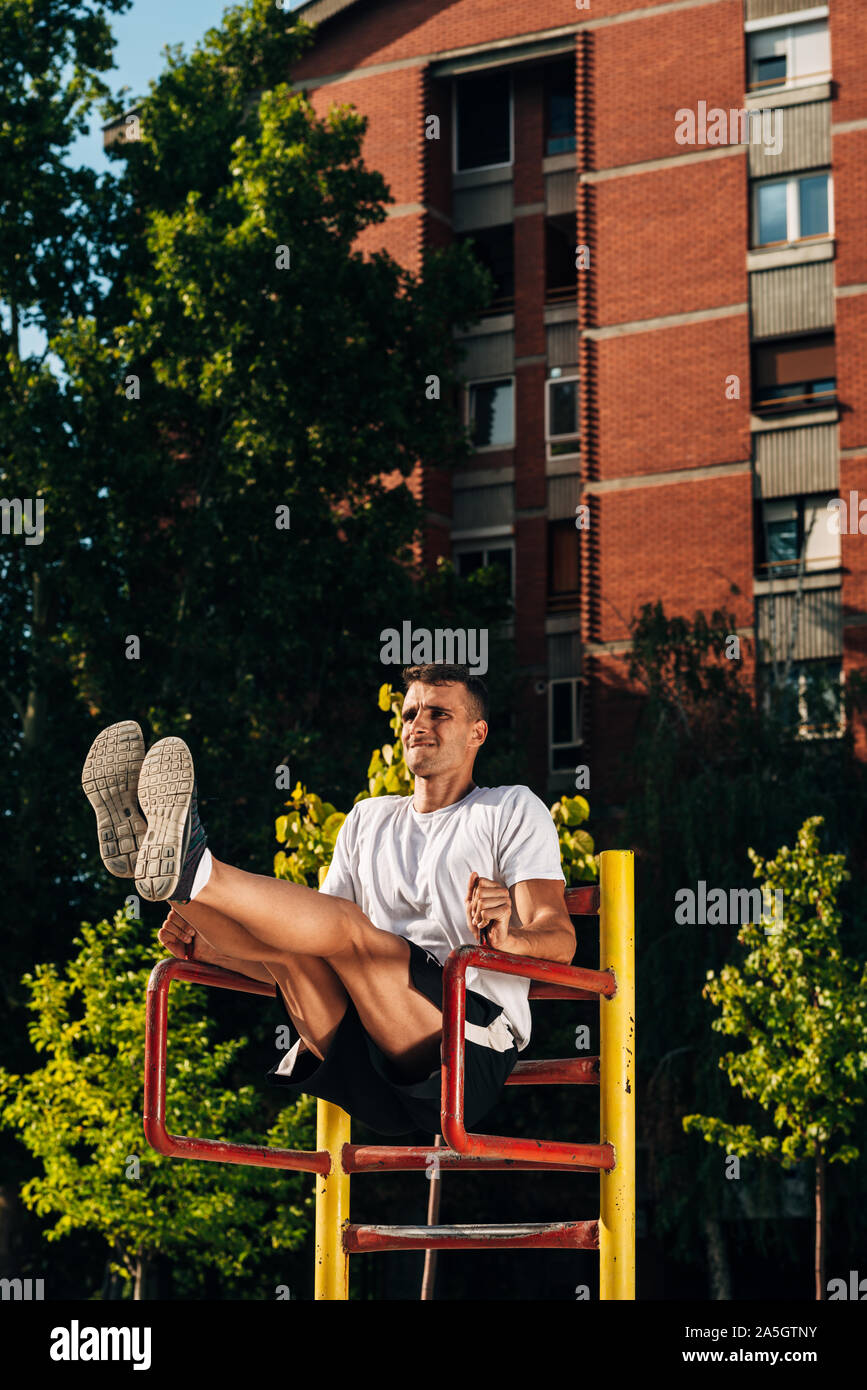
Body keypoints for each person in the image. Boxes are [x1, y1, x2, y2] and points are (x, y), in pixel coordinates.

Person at [81, 663, 574, 1136]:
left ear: (477, 734)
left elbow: (559, 939)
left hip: (465, 1055)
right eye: (409, 714)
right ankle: (166, 873)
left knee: (347, 929)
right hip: (367, 1069)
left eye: (438, 714)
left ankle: (193, 868)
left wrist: (509, 939)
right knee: (293, 951)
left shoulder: (510, 807)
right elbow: (310, 944)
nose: (417, 725)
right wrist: (211, 951)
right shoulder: (368, 818)